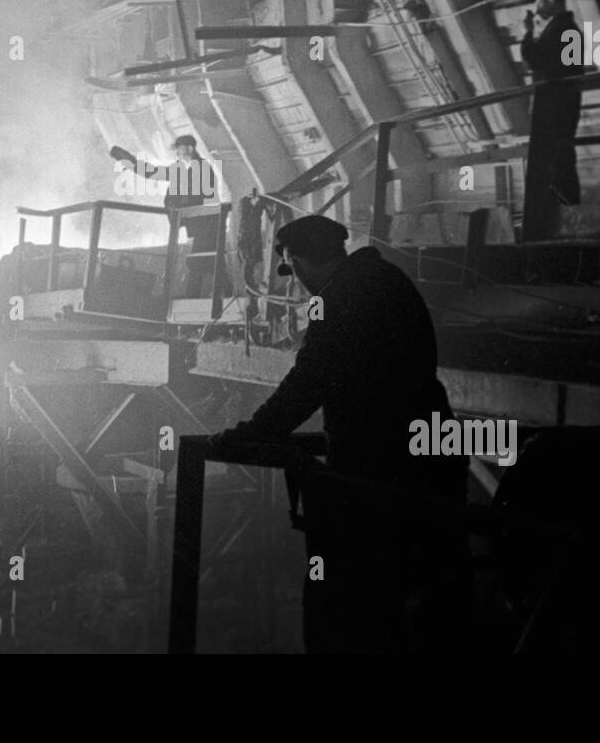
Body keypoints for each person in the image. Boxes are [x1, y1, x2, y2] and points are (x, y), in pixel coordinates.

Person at [210, 215, 471, 652]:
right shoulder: (385, 278)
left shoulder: (341, 296)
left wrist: (250, 433)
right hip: (428, 461)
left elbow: (309, 380)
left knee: (357, 600)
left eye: (292, 269)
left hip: (379, 473)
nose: (296, 283)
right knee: (434, 592)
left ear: (298, 259)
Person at [110, 135, 221, 296]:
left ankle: (195, 299)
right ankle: (214, 294)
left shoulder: (202, 169)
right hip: (200, 226)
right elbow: (151, 172)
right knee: (205, 262)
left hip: (208, 225)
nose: (176, 151)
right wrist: (125, 159)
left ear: (190, 148)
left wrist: (179, 206)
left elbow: (200, 198)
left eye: (179, 148)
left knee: (199, 262)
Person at [520, 0, 585, 240]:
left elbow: (535, 59)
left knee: (556, 156)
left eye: (538, 0)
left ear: (551, 0)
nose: (536, 7)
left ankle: (563, 208)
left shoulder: (559, 29)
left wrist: (527, 32)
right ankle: (568, 205)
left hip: (554, 102)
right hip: (567, 101)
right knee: (563, 154)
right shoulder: (568, 29)